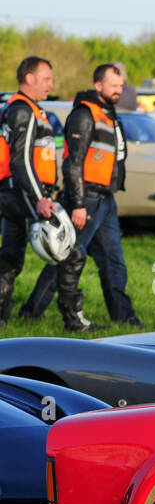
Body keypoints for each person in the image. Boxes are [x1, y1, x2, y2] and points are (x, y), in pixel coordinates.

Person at [42, 63, 140, 330]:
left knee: (113, 262)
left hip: (106, 200)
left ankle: (125, 318)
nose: (119, 90)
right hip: (88, 199)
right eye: (113, 86)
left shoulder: (109, 115)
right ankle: (33, 311)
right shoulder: (85, 114)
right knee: (66, 257)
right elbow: (73, 163)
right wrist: (78, 203)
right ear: (98, 85)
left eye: (121, 86)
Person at [0, 56, 59, 327]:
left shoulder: (26, 108)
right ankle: (71, 318)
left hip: (15, 191)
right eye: (46, 79)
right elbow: (20, 161)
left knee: (10, 257)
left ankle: (4, 317)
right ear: (29, 78)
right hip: (21, 192)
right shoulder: (23, 110)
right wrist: (40, 198)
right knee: (68, 251)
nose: (51, 84)